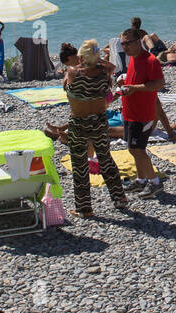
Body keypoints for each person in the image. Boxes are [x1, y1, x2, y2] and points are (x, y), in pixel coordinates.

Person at [63, 40, 131, 217]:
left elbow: (69, 84)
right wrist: (97, 60)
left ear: (81, 56)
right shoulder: (103, 74)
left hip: (79, 122)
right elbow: (112, 66)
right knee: (105, 159)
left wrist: (86, 60)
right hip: (99, 121)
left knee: (79, 164)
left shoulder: (73, 73)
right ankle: (119, 198)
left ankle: (84, 208)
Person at [119, 28, 166, 197]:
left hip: (142, 114)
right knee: (133, 149)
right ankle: (140, 180)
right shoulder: (133, 59)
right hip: (130, 112)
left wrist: (134, 88)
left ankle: (155, 183)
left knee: (138, 150)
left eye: (128, 43)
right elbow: (137, 82)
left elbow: (159, 83)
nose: (125, 47)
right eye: (123, 43)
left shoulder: (150, 60)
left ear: (138, 41)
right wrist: (125, 83)